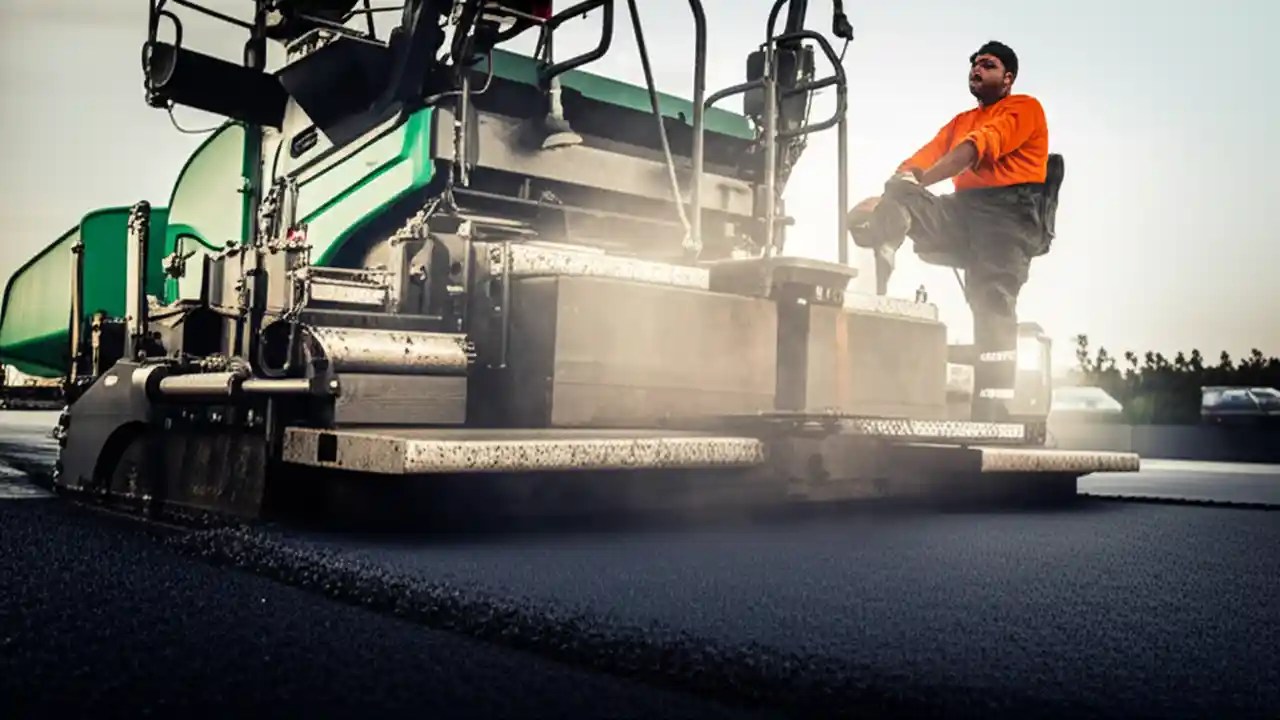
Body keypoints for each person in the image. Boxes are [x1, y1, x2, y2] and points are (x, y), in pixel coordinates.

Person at [847, 40, 1053, 422]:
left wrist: (917, 182)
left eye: (987, 65)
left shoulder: (1024, 108)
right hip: (964, 213)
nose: (976, 70)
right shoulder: (960, 121)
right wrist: (887, 199)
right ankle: (887, 236)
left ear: (1007, 78)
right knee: (899, 193)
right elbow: (918, 162)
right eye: (973, 65)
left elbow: (975, 150)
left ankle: (994, 403)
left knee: (991, 299)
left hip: (1010, 218)